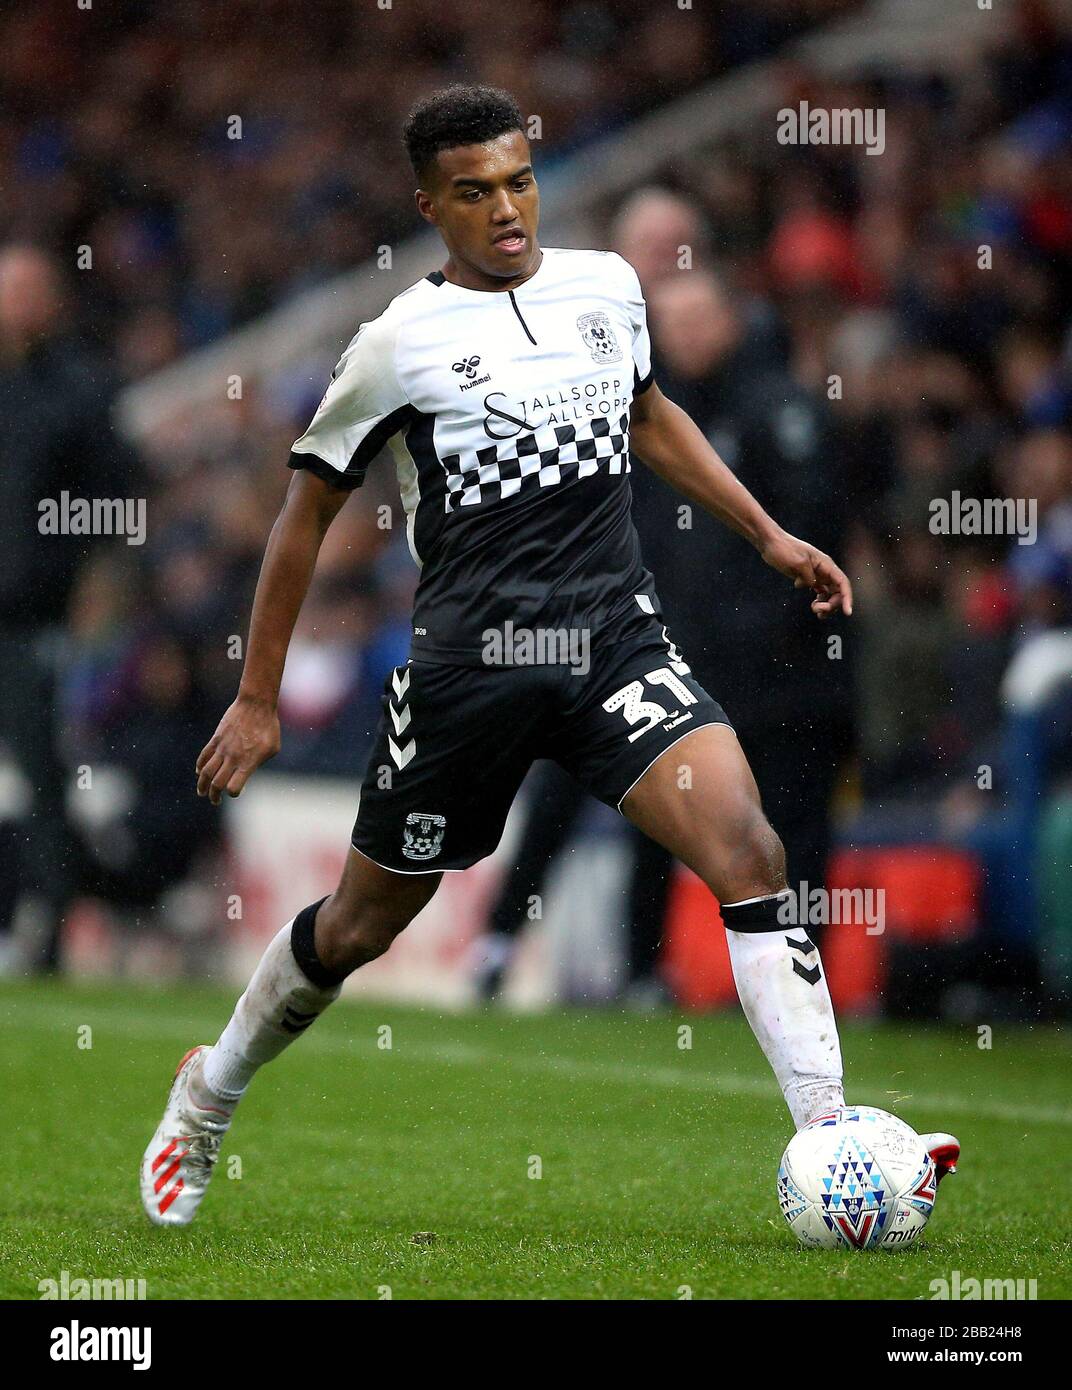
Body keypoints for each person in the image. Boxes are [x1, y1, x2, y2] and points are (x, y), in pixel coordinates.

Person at [139, 85, 958, 1226]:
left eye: (519, 181)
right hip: (468, 672)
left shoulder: (607, 288)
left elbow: (647, 414)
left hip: (614, 642)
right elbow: (303, 517)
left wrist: (766, 532)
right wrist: (259, 697)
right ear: (431, 205)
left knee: (747, 841)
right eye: (475, 194)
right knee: (362, 924)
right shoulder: (392, 347)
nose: (508, 210)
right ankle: (210, 1090)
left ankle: (829, 1136)